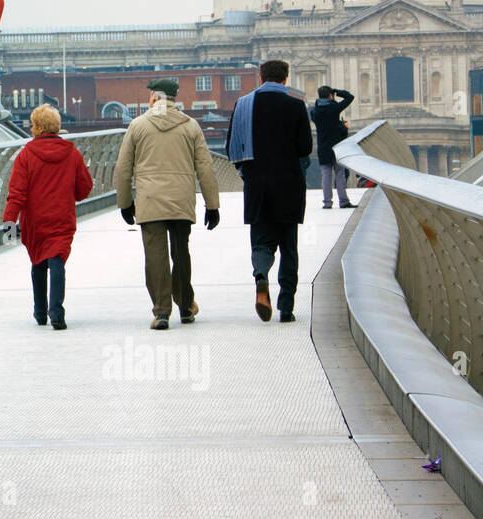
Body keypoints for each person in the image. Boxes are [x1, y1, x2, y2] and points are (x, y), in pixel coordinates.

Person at [114, 79, 221, 330]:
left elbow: (123, 168)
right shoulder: (191, 126)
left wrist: (125, 203)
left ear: (154, 96)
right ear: (174, 98)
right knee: (181, 253)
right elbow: (205, 167)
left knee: (155, 257)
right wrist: (212, 205)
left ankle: (161, 312)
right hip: (181, 199)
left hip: (150, 200)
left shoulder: (138, 125)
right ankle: (185, 306)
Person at [226, 59, 313, 324]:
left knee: (262, 241)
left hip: (257, 185)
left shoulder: (243, 105)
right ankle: (286, 307)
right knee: (289, 247)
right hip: (289, 184)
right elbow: (305, 148)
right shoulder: (296, 106)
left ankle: (261, 276)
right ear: (285, 79)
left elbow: (232, 145)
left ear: (261, 78)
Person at [1, 105, 93, 330]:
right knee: (57, 260)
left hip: (35, 221)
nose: (30, 128)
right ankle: (57, 313)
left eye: (32, 124)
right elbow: (84, 189)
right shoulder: (72, 153)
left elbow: (17, 193)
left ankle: (40, 312)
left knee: (38, 262)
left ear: (39, 127)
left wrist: (9, 222)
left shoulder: (26, 155)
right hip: (62, 217)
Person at [309, 86, 356, 210]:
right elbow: (350, 97)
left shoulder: (314, 111)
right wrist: (337, 91)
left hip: (323, 147)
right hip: (336, 146)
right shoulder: (335, 108)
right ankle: (343, 201)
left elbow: (315, 110)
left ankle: (327, 202)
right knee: (340, 173)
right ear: (330, 95)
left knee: (326, 175)